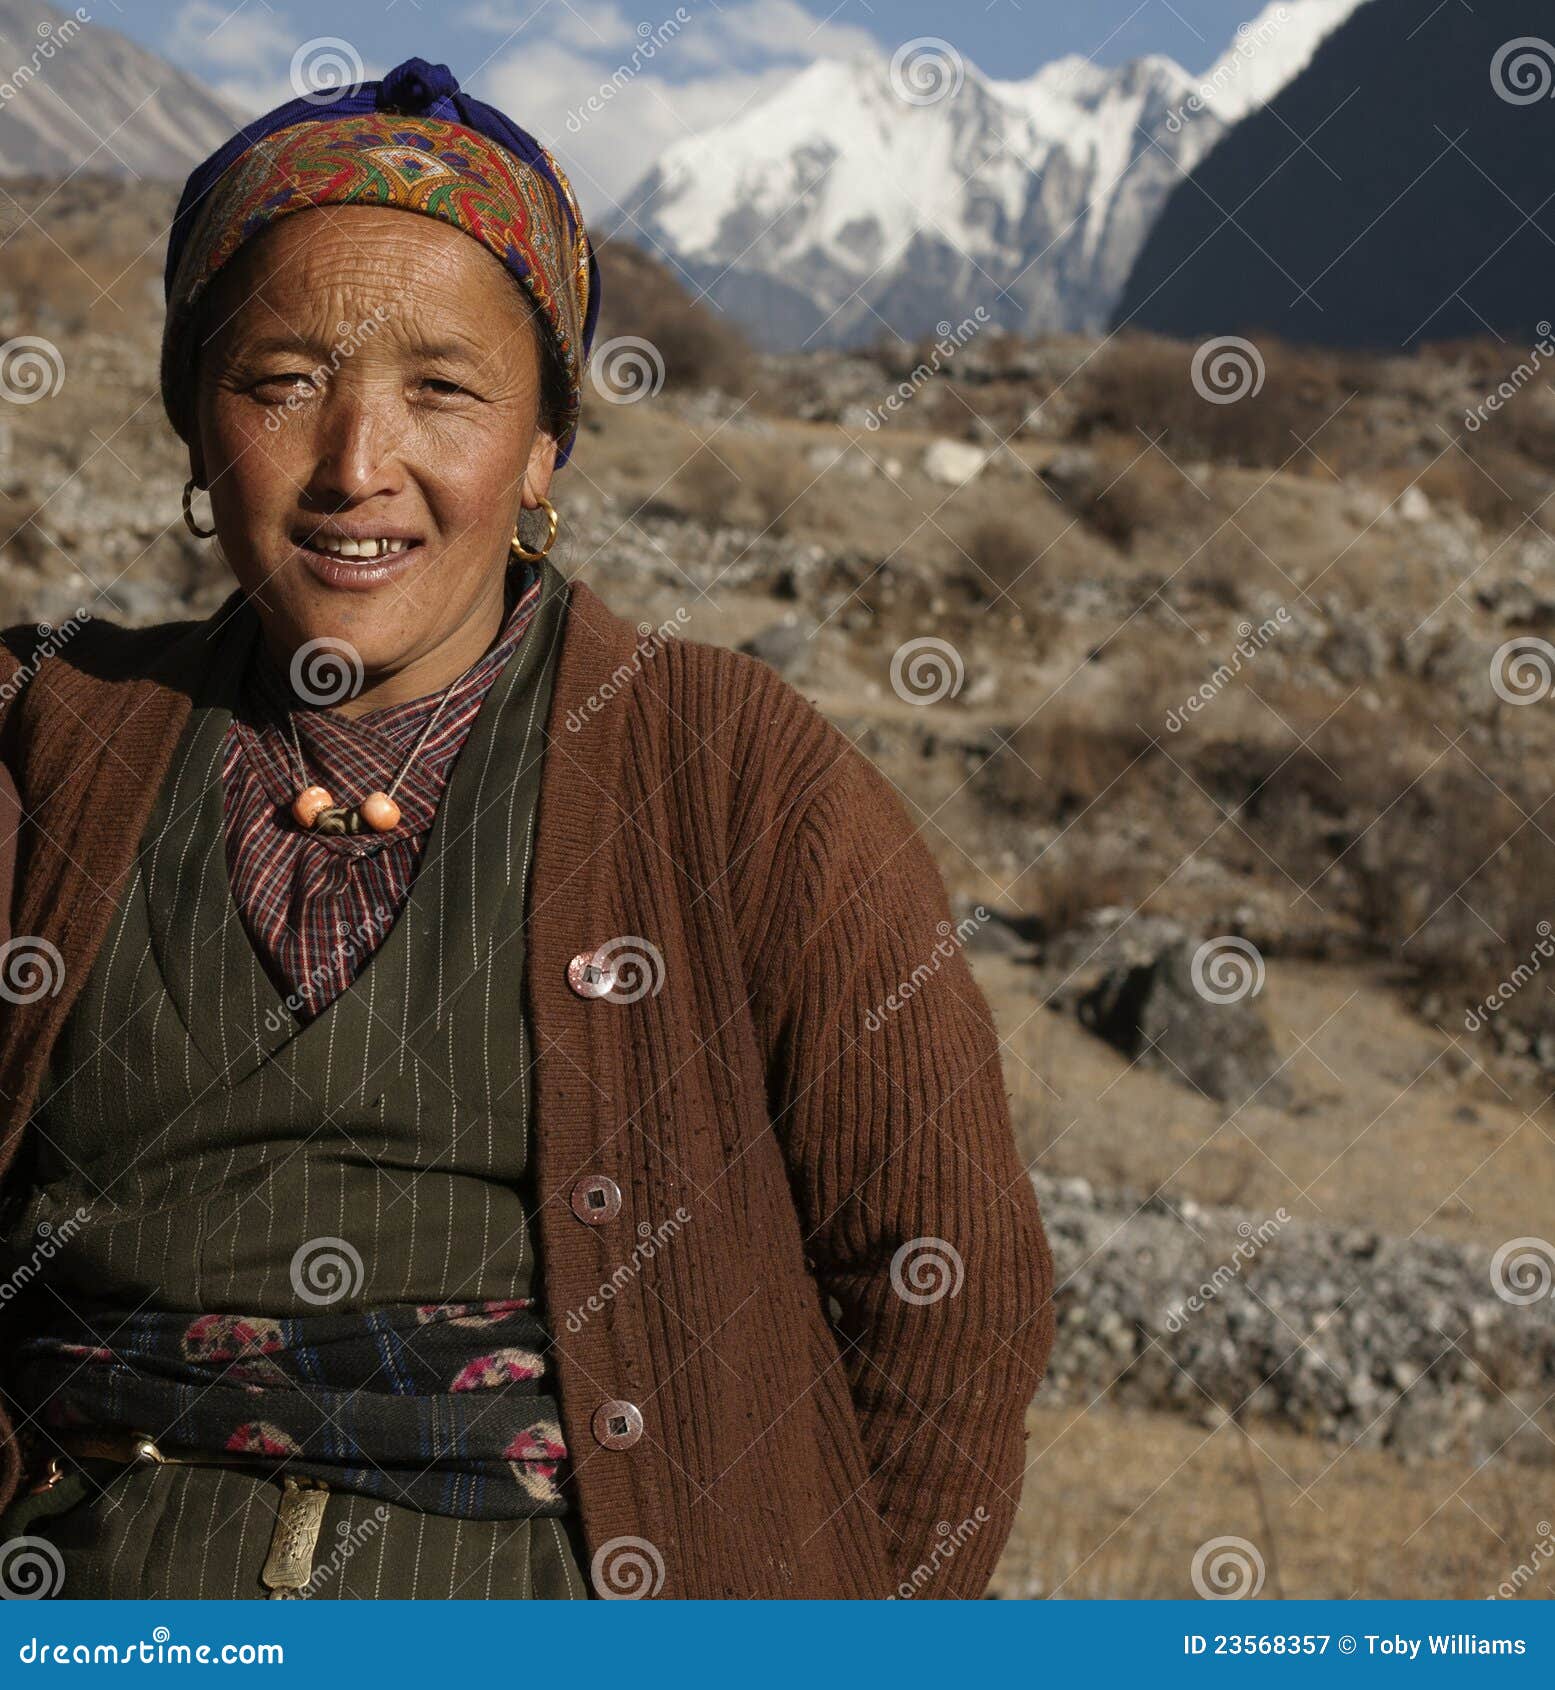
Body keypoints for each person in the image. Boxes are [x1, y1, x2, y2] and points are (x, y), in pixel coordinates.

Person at [0, 56, 1054, 1601]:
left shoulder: (730, 771)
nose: (360, 463)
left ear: (545, 446)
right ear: (191, 422)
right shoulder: (54, 741)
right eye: (281, 379)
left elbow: (948, 1293)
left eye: (443, 389)